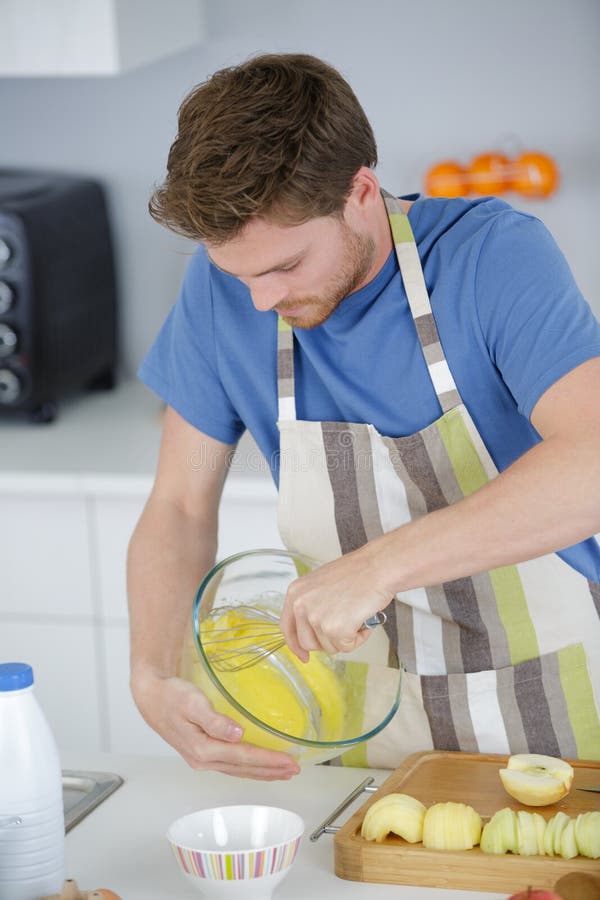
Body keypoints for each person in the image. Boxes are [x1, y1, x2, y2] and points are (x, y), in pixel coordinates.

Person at [127, 52, 600, 779]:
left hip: (550, 711)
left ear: (360, 192)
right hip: (358, 725)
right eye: (238, 273)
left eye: (285, 266)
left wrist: (378, 569)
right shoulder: (224, 293)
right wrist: (153, 671)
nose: (259, 300)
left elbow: (591, 462)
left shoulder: (491, 258)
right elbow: (182, 503)